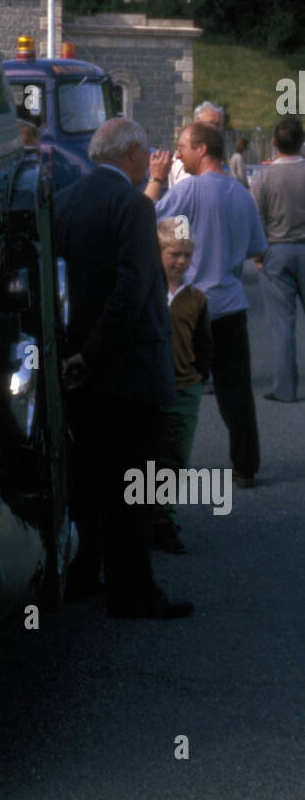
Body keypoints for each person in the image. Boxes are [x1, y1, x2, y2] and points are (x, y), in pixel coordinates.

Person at [54, 118, 192, 619]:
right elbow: (132, 292)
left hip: (79, 371)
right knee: (135, 485)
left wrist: (76, 356)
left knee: (90, 482)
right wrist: (94, 355)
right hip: (126, 371)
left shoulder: (66, 201)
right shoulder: (132, 205)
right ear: (133, 153)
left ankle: (86, 572)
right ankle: (133, 593)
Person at [147, 122, 267, 487]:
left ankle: (166, 471)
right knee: (237, 391)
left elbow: (143, 217)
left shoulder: (190, 190)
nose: (177, 153)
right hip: (230, 304)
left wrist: (156, 178)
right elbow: (257, 248)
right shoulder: (241, 194)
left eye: (182, 146)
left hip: (191, 305)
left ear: (202, 149)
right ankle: (245, 466)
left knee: (179, 390)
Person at [153, 217, 213, 554]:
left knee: (174, 458)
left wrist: (198, 377)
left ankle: (164, 520)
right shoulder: (147, 292)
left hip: (184, 388)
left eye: (188, 255)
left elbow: (204, 345)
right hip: (148, 388)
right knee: (146, 453)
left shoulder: (196, 299)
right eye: (174, 253)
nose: (181, 261)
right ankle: (143, 517)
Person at [250, 116, 305, 402]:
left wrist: (259, 254)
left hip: (277, 249)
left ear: (274, 143)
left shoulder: (263, 177)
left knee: (282, 324)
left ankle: (285, 388)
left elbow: (255, 219)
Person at [168, 101, 225, 187]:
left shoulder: (218, 158)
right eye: (210, 124)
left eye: (218, 125)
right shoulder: (186, 159)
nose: (215, 129)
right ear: (196, 123)